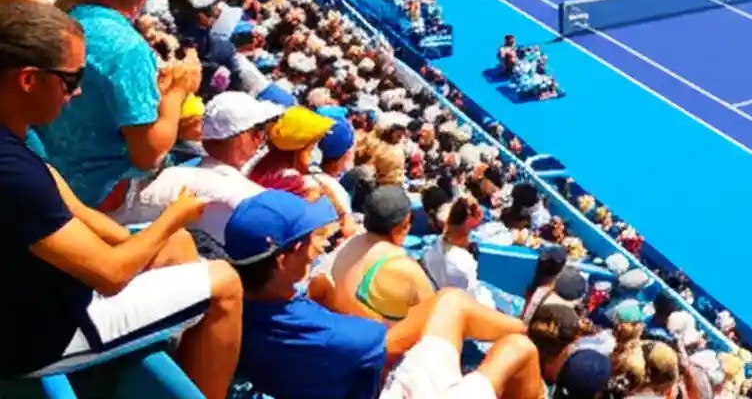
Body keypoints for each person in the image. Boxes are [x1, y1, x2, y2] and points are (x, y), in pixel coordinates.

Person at [0, 1, 242, 397]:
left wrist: (159, 238)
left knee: (176, 247)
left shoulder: (19, 141)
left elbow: (73, 209)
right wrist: (174, 217)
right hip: (31, 339)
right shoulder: (15, 172)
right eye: (69, 79)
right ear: (27, 80)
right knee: (225, 283)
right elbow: (110, 276)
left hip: (27, 288)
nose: (76, 92)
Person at [226, 189, 545, 399]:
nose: (320, 245)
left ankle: (524, 328)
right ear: (284, 259)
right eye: (309, 239)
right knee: (518, 348)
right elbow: (393, 344)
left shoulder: (237, 304)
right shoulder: (318, 332)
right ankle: (531, 334)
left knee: (449, 301)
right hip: (381, 387)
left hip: (332, 377)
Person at [39, 0, 203, 207]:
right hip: (93, 195)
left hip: (47, 171)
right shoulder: (128, 50)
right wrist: (179, 88)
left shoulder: (70, 18)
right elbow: (149, 154)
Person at [110, 91, 283, 245]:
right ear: (239, 138)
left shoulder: (170, 176)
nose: (261, 137)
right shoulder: (248, 197)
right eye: (258, 130)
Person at [312, 185, 433, 324]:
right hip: (375, 341)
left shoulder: (350, 243)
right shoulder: (403, 267)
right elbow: (432, 321)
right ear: (404, 224)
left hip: (341, 328)